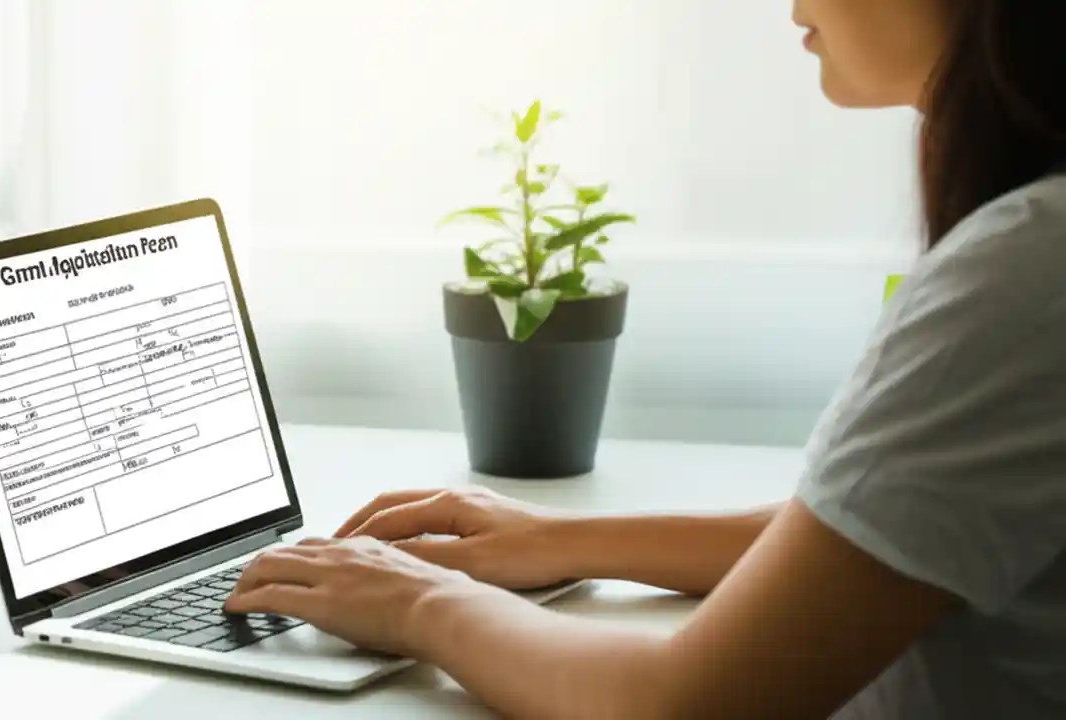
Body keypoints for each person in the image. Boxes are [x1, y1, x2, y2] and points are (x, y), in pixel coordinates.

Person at [226, 1, 1066, 717]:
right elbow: (872, 540)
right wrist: (563, 542)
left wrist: (414, 600)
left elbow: (684, 702)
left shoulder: (1027, 269)